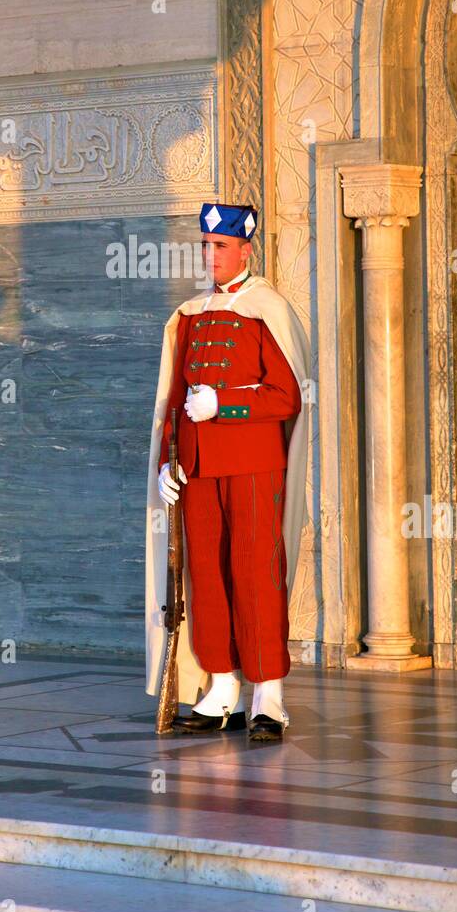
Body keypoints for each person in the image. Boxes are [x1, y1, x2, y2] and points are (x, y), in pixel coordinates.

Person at [144, 202, 309, 743]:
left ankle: (268, 694)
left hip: (254, 464)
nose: (210, 255)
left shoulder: (268, 309)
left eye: (220, 247)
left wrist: (226, 405)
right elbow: (175, 400)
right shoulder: (191, 315)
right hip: (199, 469)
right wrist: (170, 459)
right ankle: (220, 686)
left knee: (254, 572)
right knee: (207, 576)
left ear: (245, 249)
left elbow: (286, 397)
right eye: (205, 246)